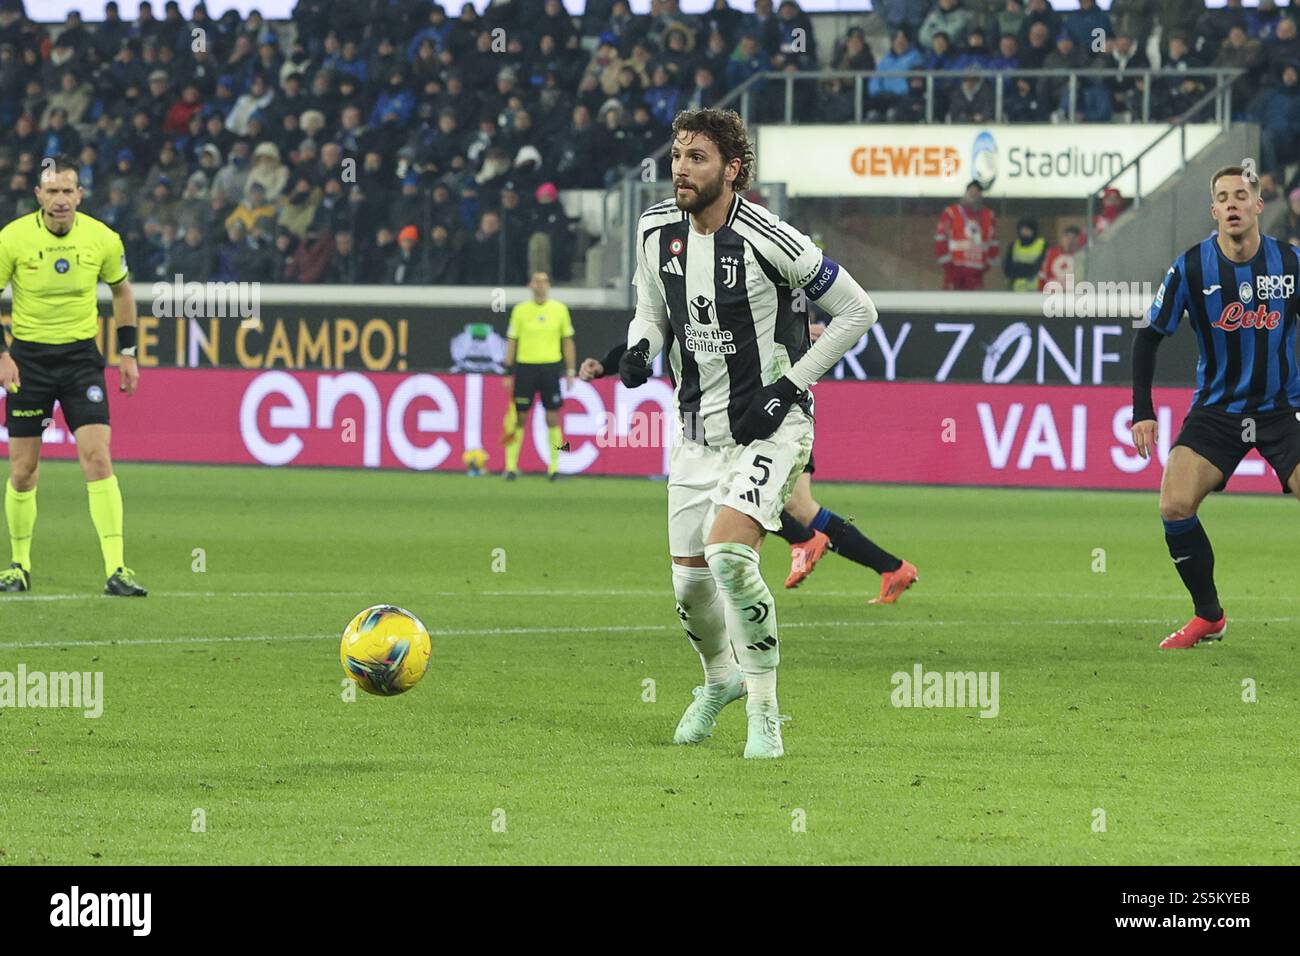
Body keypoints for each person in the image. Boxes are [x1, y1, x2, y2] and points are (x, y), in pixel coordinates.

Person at [618, 108, 877, 758]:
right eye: (678, 154)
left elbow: (856, 310)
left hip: (772, 424)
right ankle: (720, 680)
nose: (682, 167)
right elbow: (651, 308)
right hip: (697, 430)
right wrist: (640, 348)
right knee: (689, 584)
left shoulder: (772, 238)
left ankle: (765, 710)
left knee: (730, 559)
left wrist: (790, 388)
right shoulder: (654, 230)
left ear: (732, 170)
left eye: (697, 157)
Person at [1132, 164, 1300, 648]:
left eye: (1240, 195)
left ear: (1257, 205)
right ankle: (1209, 616)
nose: (1231, 203)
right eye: (1222, 197)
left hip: (1282, 409)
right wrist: (1142, 408)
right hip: (1217, 411)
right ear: (1213, 210)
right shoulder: (1190, 266)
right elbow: (1148, 336)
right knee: (1174, 504)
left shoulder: (1289, 264)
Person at [0, 157, 147, 596]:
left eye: (69, 191)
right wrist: (3, 355)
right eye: (53, 191)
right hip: (28, 362)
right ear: (39, 197)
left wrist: (128, 353)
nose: (61, 199)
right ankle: (18, 565)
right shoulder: (13, 239)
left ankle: (117, 569)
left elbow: (122, 290)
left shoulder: (102, 239)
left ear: (80, 196)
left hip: (82, 359)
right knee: (24, 470)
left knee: (98, 457)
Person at [502, 271, 575, 481]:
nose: (540, 285)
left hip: (550, 368)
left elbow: (567, 341)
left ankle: (554, 467)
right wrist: (508, 370)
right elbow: (512, 340)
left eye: (544, 282)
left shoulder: (559, 309)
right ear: (530, 285)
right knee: (519, 417)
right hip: (525, 368)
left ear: (549, 285)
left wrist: (570, 371)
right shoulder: (520, 310)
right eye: (536, 281)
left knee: (552, 417)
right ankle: (510, 467)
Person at [935, 180, 998, 290]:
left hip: (976, 272)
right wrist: (949, 267)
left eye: (977, 191)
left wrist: (984, 267)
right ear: (966, 193)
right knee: (951, 304)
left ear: (980, 195)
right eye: (971, 191)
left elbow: (993, 244)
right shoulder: (951, 212)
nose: (973, 194)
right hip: (955, 270)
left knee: (973, 305)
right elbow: (941, 240)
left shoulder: (988, 215)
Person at [1003, 217, 1046, 290]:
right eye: (1023, 229)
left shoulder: (1042, 245)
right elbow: (1007, 269)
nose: (1025, 231)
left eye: (1028, 229)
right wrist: (1029, 268)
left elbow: (1040, 267)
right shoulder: (1014, 246)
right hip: (1016, 288)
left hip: (1037, 289)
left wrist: (1018, 267)